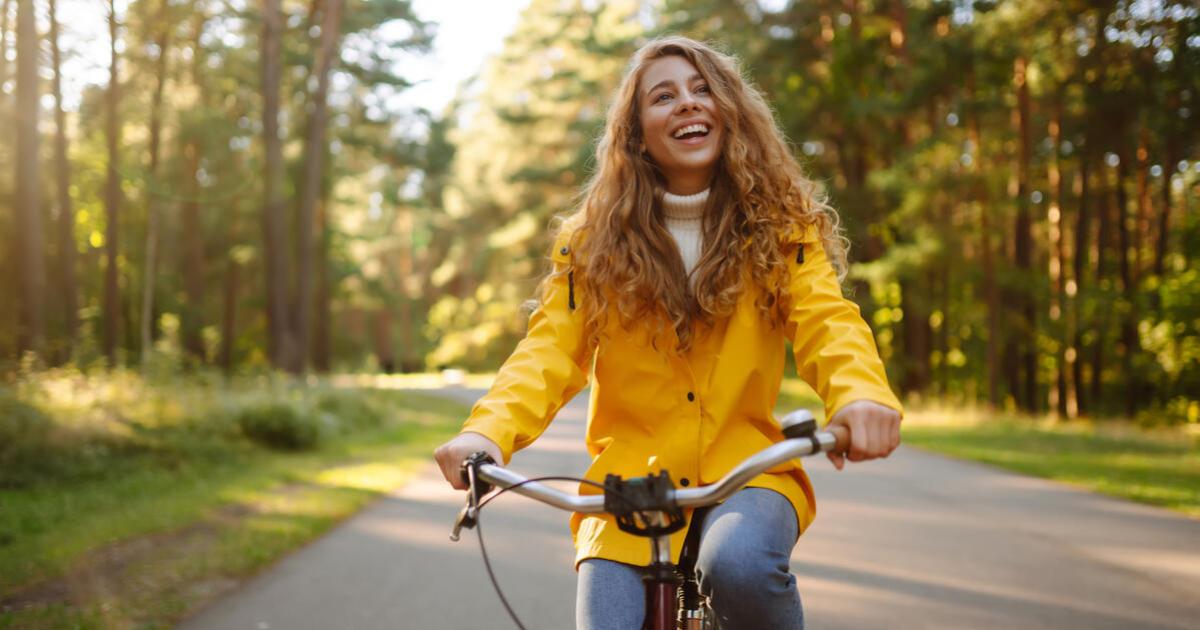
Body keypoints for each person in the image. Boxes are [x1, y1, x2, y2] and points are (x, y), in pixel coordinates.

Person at [433, 36, 902, 630]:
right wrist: (487, 433)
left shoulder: (782, 231)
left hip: (748, 472)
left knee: (738, 565)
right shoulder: (591, 246)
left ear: (730, 112)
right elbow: (548, 350)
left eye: (702, 88)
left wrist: (861, 396)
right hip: (626, 486)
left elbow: (826, 321)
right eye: (664, 96)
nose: (686, 103)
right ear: (637, 134)